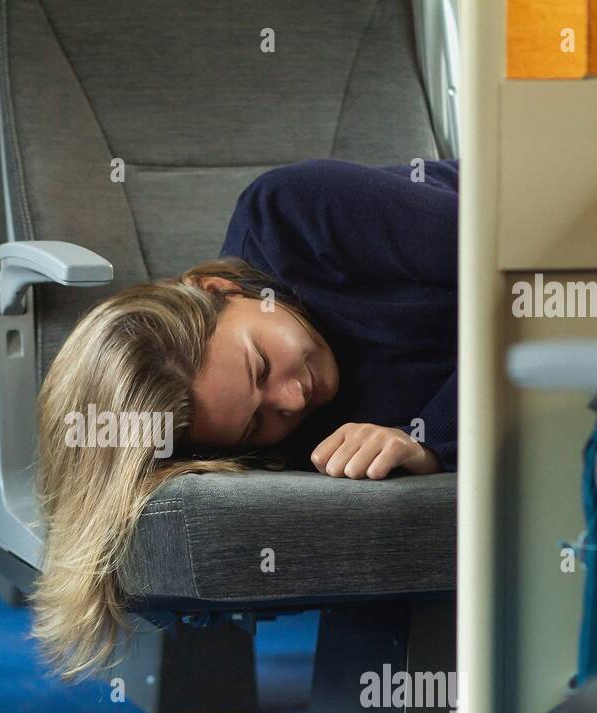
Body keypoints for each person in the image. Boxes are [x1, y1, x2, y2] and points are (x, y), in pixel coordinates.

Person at [34, 158, 460, 678]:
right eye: (257, 422)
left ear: (219, 289)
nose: (293, 399)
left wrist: (437, 437)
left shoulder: (295, 214)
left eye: (260, 365)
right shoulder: (284, 449)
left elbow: (536, 269)